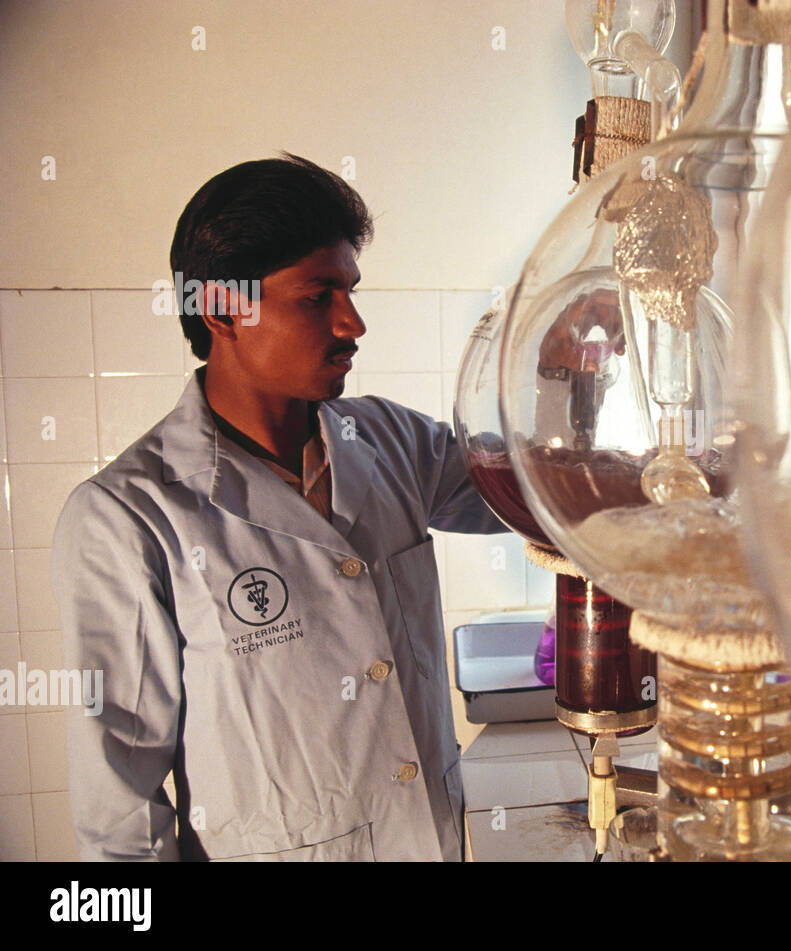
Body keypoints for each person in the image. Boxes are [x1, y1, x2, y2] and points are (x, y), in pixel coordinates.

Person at [51, 154, 507, 861]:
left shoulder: (389, 439)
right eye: (317, 296)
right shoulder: (129, 517)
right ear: (224, 308)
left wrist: (568, 370)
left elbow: (535, 498)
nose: (353, 322)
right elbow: (121, 820)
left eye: (350, 291)